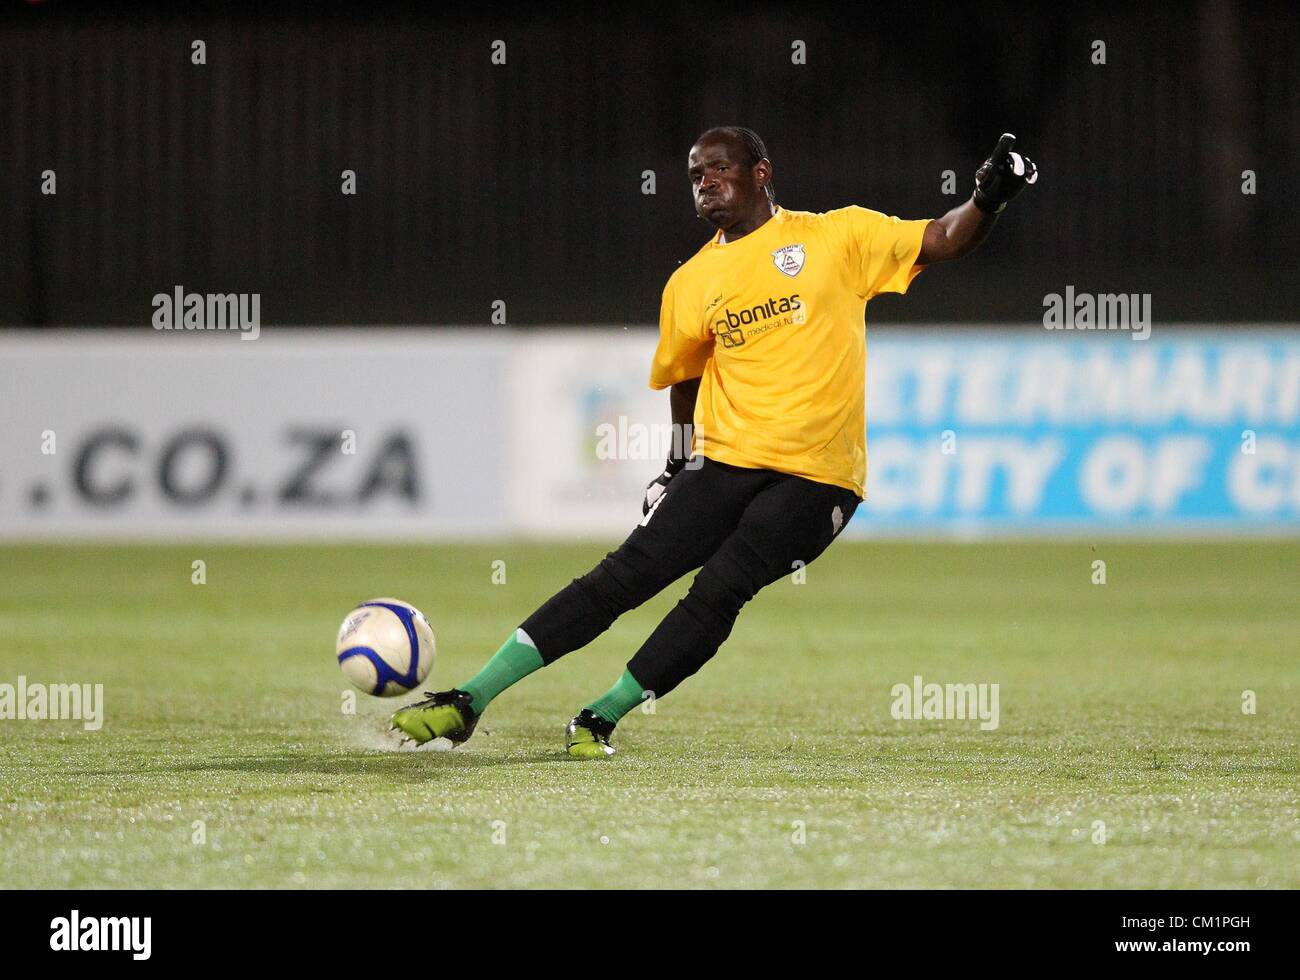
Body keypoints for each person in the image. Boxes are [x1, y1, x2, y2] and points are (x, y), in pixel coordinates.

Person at [391, 126, 1037, 757]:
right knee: (623, 576)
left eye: (720, 168)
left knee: (722, 585)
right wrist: (676, 463)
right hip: (725, 461)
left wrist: (988, 198)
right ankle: (468, 700)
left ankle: (601, 715)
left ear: (761, 172)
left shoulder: (838, 235)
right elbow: (686, 379)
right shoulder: (691, 282)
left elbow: (946, 238)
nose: (706, 182)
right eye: (696, 174)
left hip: (821, 477)